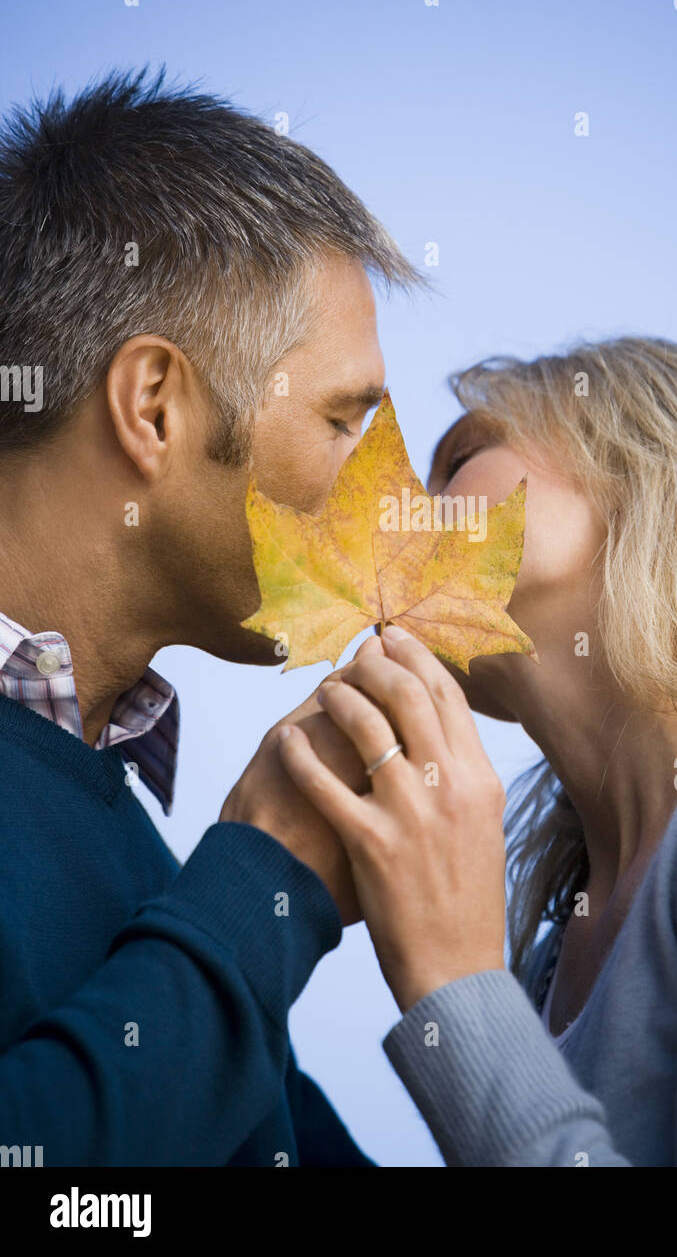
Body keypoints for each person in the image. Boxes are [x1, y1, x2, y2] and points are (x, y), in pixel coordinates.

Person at [280, 337, 677, 1166]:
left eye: (463, 455)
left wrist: (457, 987)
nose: (397, 506)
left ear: (658, 469)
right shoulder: (555, 955)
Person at [0, 64, 423, 1166]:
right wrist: (267, 878)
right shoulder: (226, 886)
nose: (388, 495)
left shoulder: (141, 847)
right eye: (344, 419)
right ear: (153, 406)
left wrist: (469, 999)